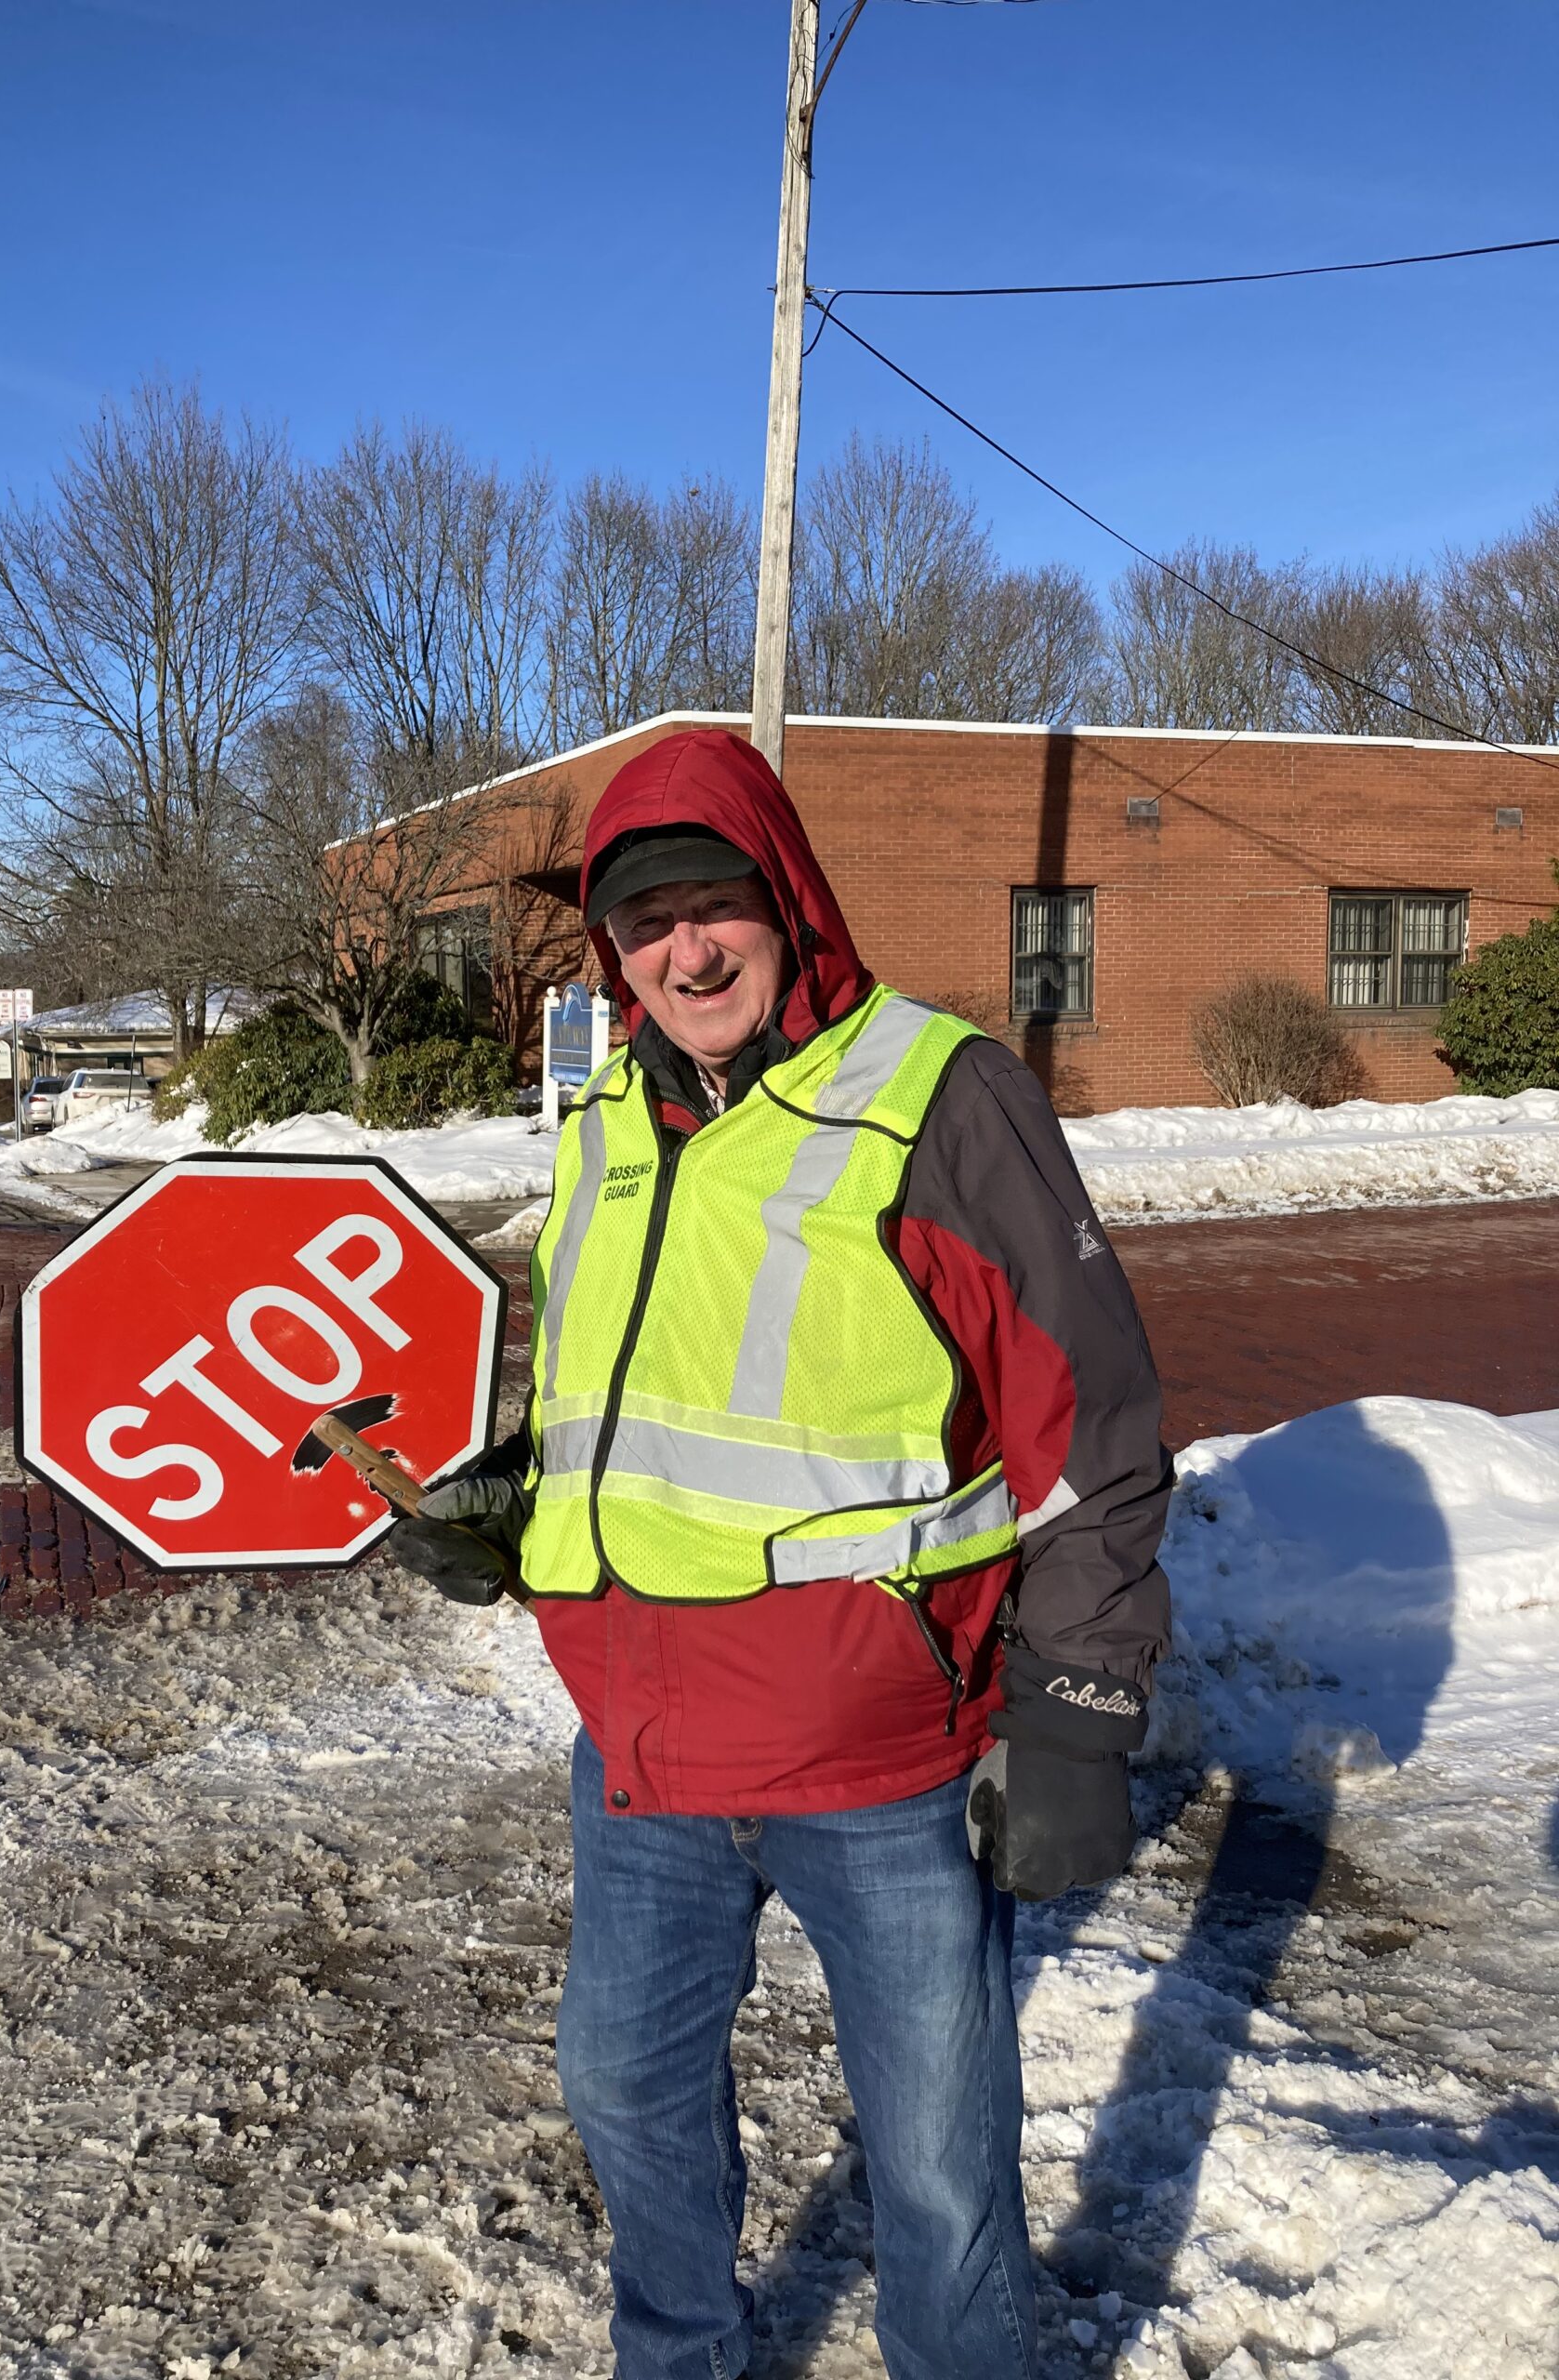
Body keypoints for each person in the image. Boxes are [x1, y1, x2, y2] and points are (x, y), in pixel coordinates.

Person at [390, 728, 1171, 2380]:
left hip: (880, 1760)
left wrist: (1082, 1708)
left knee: (943, 2173)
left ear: (788, 899)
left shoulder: (939, 1097)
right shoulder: (603, 1118)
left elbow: (1095, 1427)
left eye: (715, 904)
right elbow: (636, 1397)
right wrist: (514, 1508)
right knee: (622, 2090)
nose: (685, 949)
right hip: (644, 1748)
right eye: (645, 920)